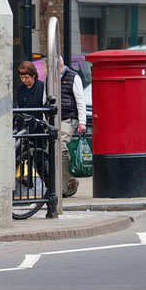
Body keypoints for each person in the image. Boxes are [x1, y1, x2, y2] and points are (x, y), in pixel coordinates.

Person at [56, 59, 88, 198]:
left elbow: (80, 100)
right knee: (55, 151)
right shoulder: (50, 78)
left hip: (68, 118)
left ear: (60, 64)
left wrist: (82, 122)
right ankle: (65, 185)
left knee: (62, 149)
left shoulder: (73, 77)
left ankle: (69, 182)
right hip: (53, 119)